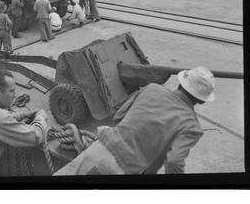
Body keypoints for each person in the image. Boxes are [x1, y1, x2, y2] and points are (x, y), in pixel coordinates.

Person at [54, 67, 215, 176]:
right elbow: (173, 161)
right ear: (202, 101)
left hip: (100, 149)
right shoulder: (192, 127)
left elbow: (119, 117)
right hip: (125, 170)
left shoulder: (152, 88)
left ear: (181, 83)